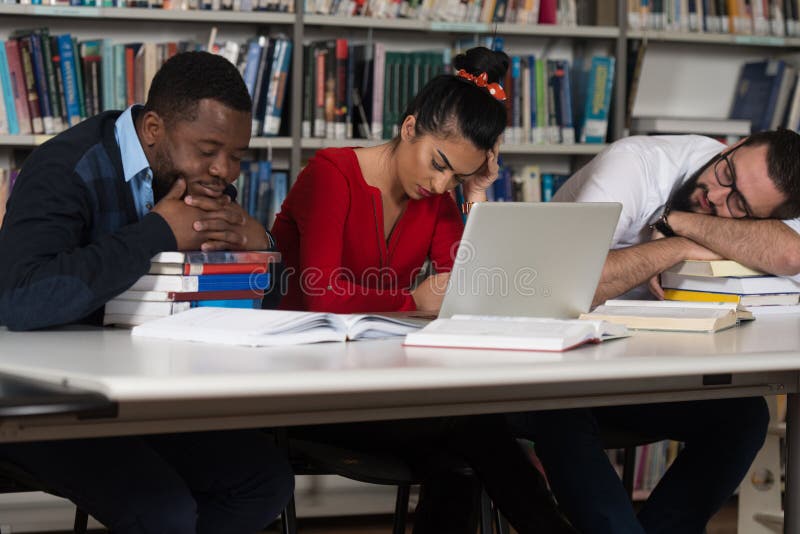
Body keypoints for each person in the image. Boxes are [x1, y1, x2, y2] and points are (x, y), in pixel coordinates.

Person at [271, 47, 576, 534]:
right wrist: (413, 302)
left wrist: (475, 197)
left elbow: (473, 291)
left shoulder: (439, 199)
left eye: (455, 175)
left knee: (464, 453)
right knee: (475, 433)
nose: (440, 184)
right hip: (306, 387)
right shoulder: (330, 176)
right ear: (409, 127)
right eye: (438, 164)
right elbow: (322, 297)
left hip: (387, 388)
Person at [0, 51, 293, 533]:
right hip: (48, 403)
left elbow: (253, 306)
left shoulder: (199, 179)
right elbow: (21, 298)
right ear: (154, 128)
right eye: (209, 149)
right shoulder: (65, 168)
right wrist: (157, 232)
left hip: (152, 395)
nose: (224, 170)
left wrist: (263, 248)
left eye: (237, 156)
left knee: (264, 482)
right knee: (165, 511)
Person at [509, 130, 800, 534]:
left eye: (739, 205)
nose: (717, 196)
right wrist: (674, 247)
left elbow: (791, 252)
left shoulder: (742, 193)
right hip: (544, 366)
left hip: (633, 373)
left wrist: (678, 221)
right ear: (731, 146)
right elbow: (565, 285)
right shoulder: (635, 166)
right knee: (564, 401)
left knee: (745, 416)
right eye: (726, 173)